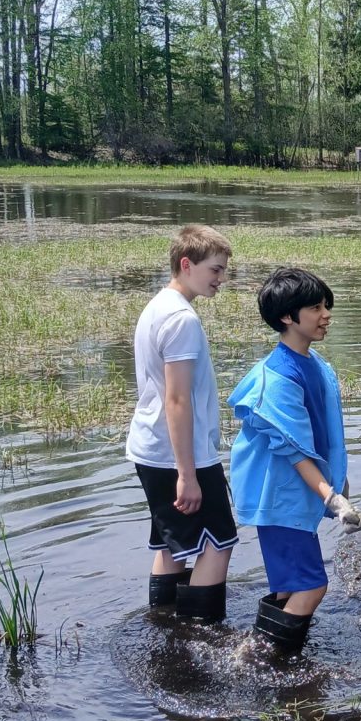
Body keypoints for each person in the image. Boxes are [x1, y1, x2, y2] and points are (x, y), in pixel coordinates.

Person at [228, 269, 361, 654]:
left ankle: (257, 652)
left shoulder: (314, 363)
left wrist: (337, 484)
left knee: (290, 586)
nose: (326, 315)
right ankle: (266, 661)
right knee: (312, 586)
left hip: (298, 494)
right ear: (288, 317)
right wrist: (333, 499)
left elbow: (323, 434)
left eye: (326, 306)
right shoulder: (278, 377)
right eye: (315, 307)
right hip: (280, 496)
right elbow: (294, 451)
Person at [126, 223, 238, 622]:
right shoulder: (182, 319)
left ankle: (162, 628)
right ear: (186, 264)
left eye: (223, 270)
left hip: (151, 448)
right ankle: (199, 635)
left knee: (170, 544)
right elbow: (176, 400)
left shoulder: (157, 306)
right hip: (179, 454)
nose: (221, 279)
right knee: (218, 542)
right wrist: (187, 475)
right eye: (215, 270)